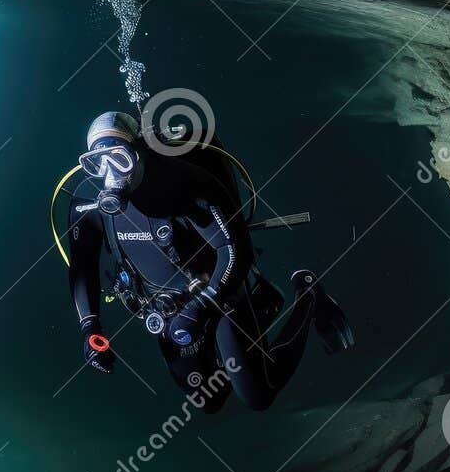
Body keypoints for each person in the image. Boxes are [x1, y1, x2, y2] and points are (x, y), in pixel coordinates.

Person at [67, 111, 353, 411]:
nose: (110, 173)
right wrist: (90, 328)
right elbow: (82, 266)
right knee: (210, 401)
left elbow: (234, 250)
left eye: (120, 158)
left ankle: (307, 295)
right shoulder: (88, 201)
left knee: (258, 395)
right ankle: (258, 315)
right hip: (164, 310)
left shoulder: (187, 184)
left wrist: (200, 307)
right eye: (97, 163)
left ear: (141, 151)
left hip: (218, 291)